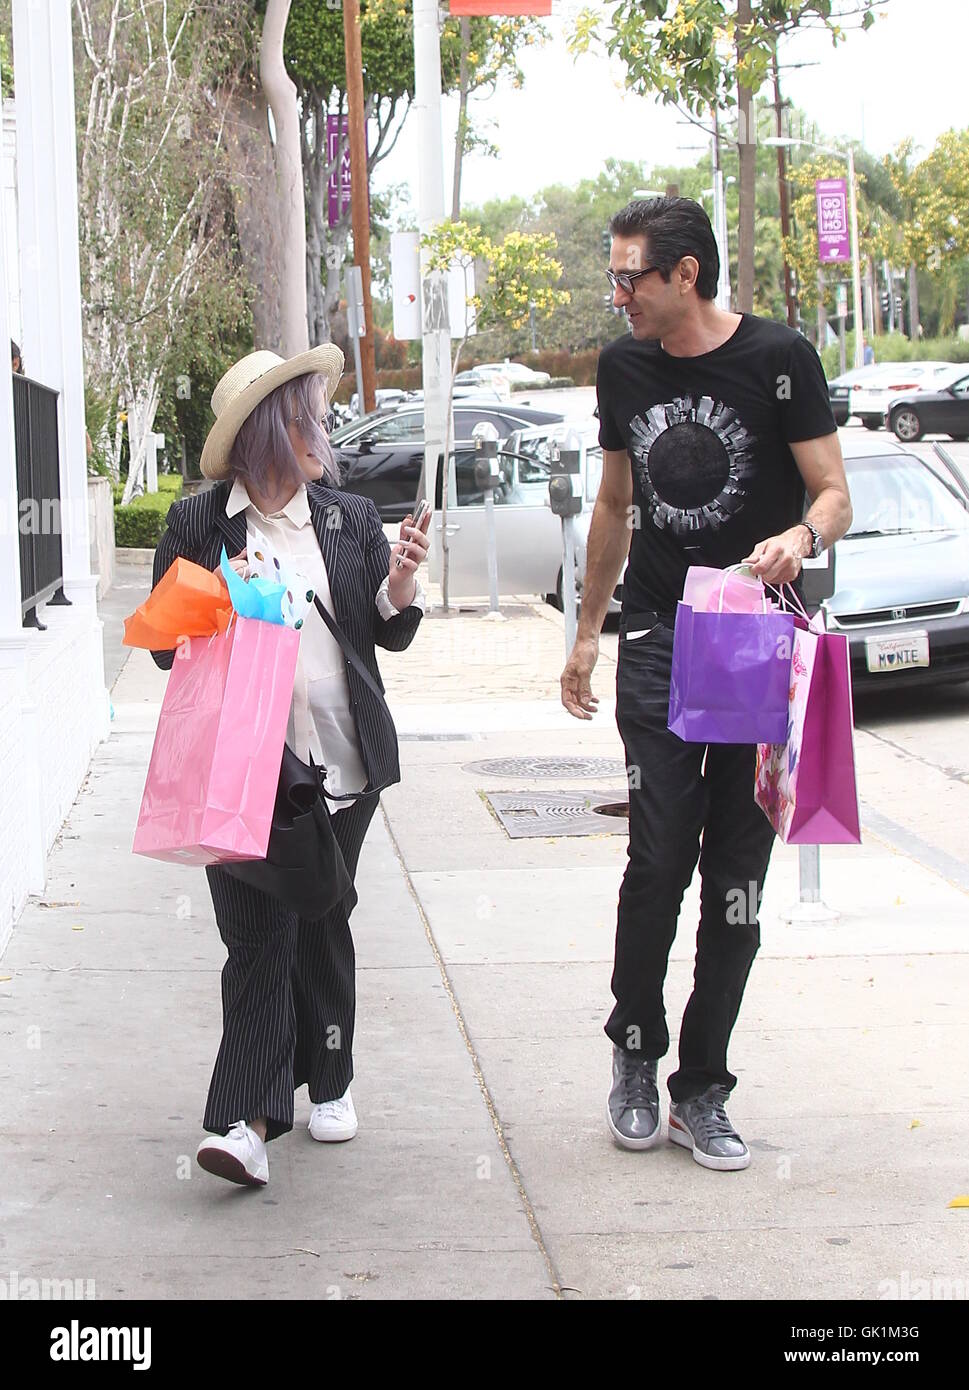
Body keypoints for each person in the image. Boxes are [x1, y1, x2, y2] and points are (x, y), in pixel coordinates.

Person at [561, 198, 852, 1171]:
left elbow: (834, 491)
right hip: (658, 634)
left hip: (758, 640)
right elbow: (613, 501)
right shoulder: (624, 367)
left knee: (737, 877)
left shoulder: (780, 358)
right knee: (659, 855)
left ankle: (704, 1085)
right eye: (614, 275)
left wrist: (801, 537)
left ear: (685, 274)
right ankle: (636, 1054)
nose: (618, 293)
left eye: (629, 275)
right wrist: (585, 636)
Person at [148, 345, 431, 1188]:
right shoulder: (200, 523)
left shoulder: (346, 518)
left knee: (322, 917)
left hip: (344, 765)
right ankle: (244, 1121)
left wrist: (400, 589)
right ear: (275, 430)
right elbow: (166, 650)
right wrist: (214, 599)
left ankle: (331, 1077)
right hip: (244, 771)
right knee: (256, 938)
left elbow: (378, 629)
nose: (327, 432)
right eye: (312, 416)